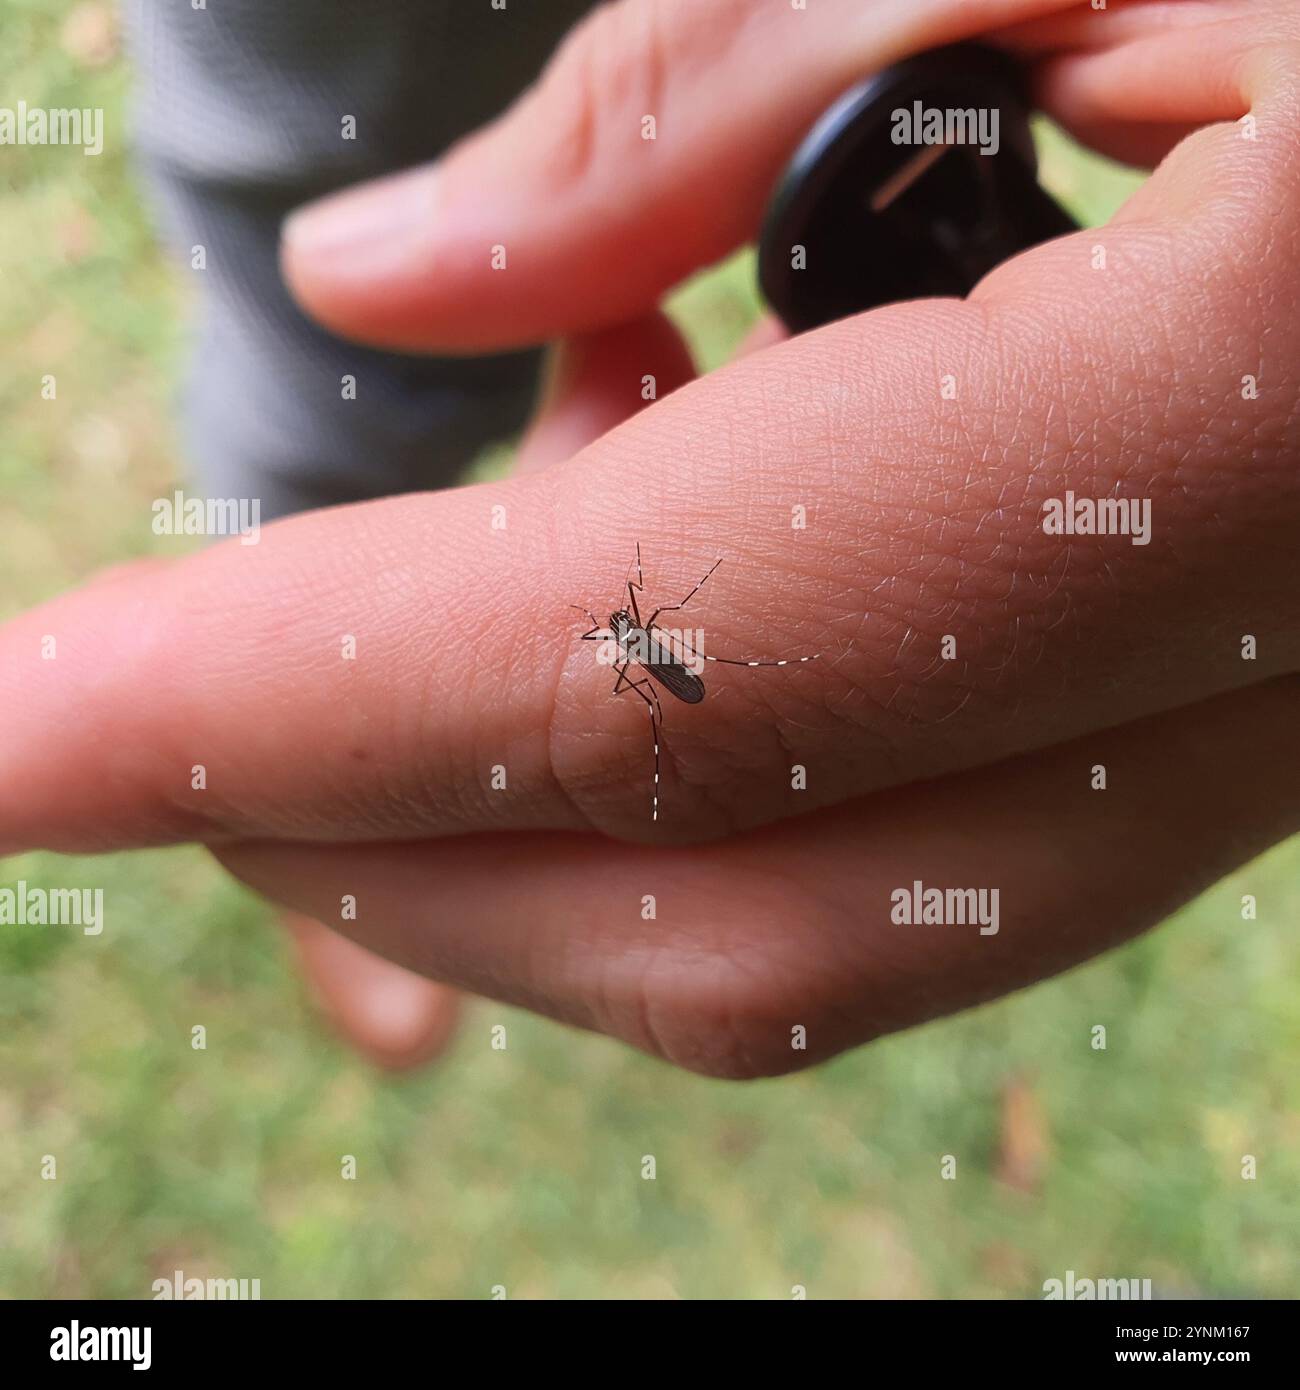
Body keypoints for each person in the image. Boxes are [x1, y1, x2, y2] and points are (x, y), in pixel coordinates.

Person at [5, 0, 1297, 1078]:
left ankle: (322, 774)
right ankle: (317, 736)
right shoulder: (648, 644)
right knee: (334, 355)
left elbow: (652, 648)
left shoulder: (649, 649)